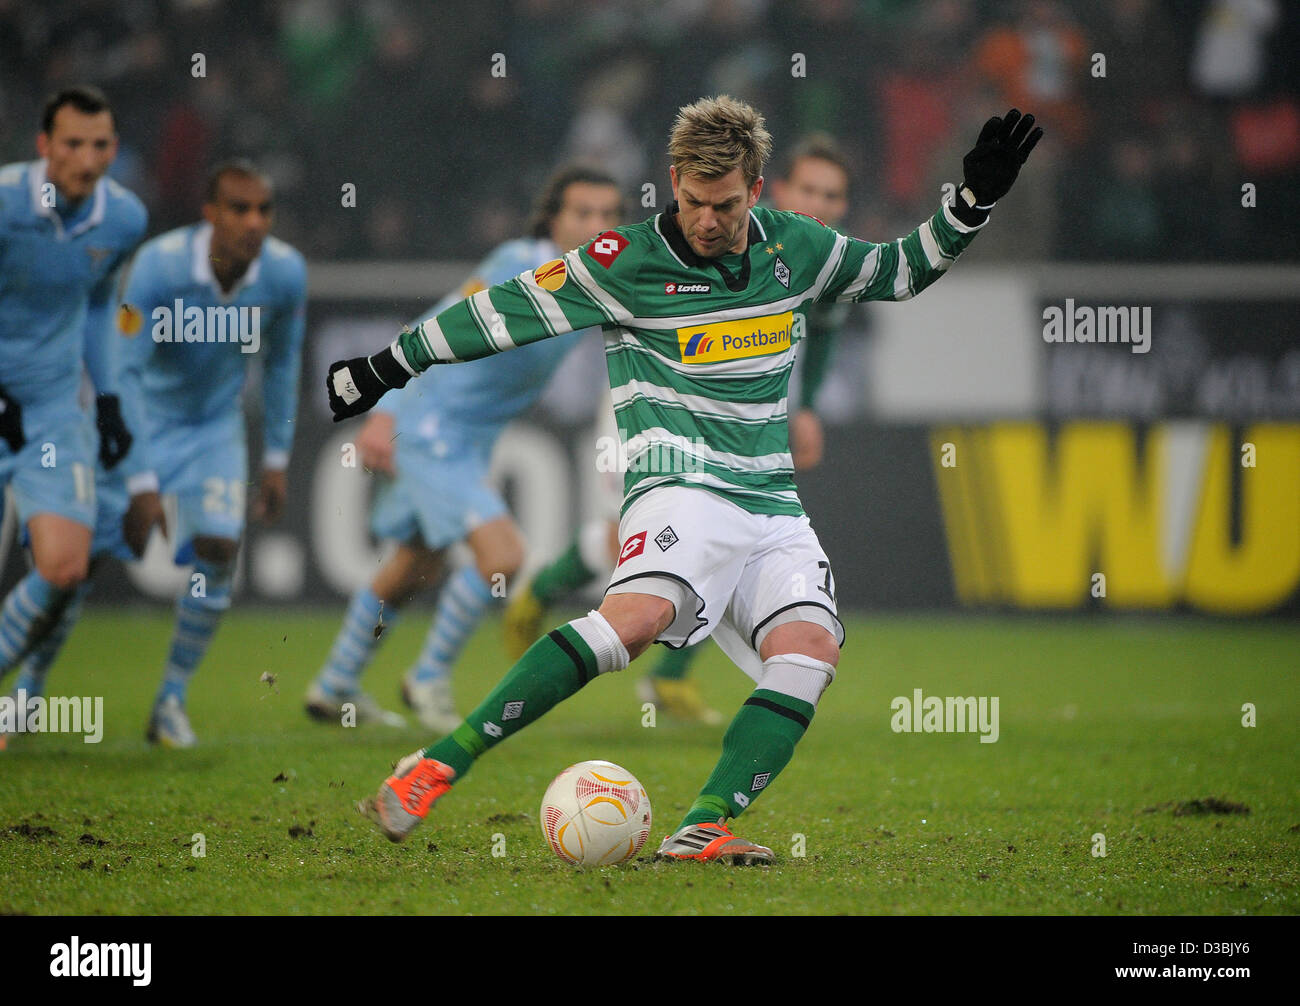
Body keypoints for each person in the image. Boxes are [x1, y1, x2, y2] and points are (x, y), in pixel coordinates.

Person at [326, 96, 1041, 863]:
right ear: (673, 182)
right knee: (632, 623)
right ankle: (435, 769)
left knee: (810, 651)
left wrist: (971, 203)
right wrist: (387, 365)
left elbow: (898, 272)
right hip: (679, 486)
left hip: (770, 501)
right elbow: (499, 312)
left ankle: (703, 823)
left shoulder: (796, 248)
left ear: (757, 189)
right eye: (693, 201)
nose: (706, 219)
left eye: (724, 204)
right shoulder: (621, 262)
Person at [502, 133, 858, 726]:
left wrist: (808, 408)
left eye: (834, 194)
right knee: (652, 540)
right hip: (654, 409)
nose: (820, 203)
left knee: (727, 536)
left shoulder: (811, 253)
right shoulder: (711, 238)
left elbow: (824, 330)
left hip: (743, 419)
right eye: (810, 189)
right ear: (776, 189)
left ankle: (666, 676)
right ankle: (546, 594)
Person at [304, 165, 622, 732]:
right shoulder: (517, 265)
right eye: (584, 213)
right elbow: (436, 322)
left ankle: (334, 685)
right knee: (503, 556)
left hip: (468, 441)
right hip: (430, 426)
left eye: (608, 215)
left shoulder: (597, 281)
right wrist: (383, 410)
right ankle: (427, 677)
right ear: (554, 218)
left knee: (410, 565)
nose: (597, 225)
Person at [116, 159, 307, 747]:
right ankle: (28, 695)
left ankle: (171, 699)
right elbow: (123, 371)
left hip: (213, 429)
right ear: (210, 214)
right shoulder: (159, 265)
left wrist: (276, 458)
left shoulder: (284, 273)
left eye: (264, 210)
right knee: (74, 564)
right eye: (239, 209)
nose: (254, 222)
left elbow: (281, 365)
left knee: (222, 545)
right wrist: (140, 479)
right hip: (141, 419)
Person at [0, 87, 147, 701]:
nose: (87, 160)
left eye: (100, 145)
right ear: (44, 147)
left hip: (53, 412)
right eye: (73, 144)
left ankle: (20, 698)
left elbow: (95, 304)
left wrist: (108, 398)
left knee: (64, 567)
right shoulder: (5, 202)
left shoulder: (124, 218)